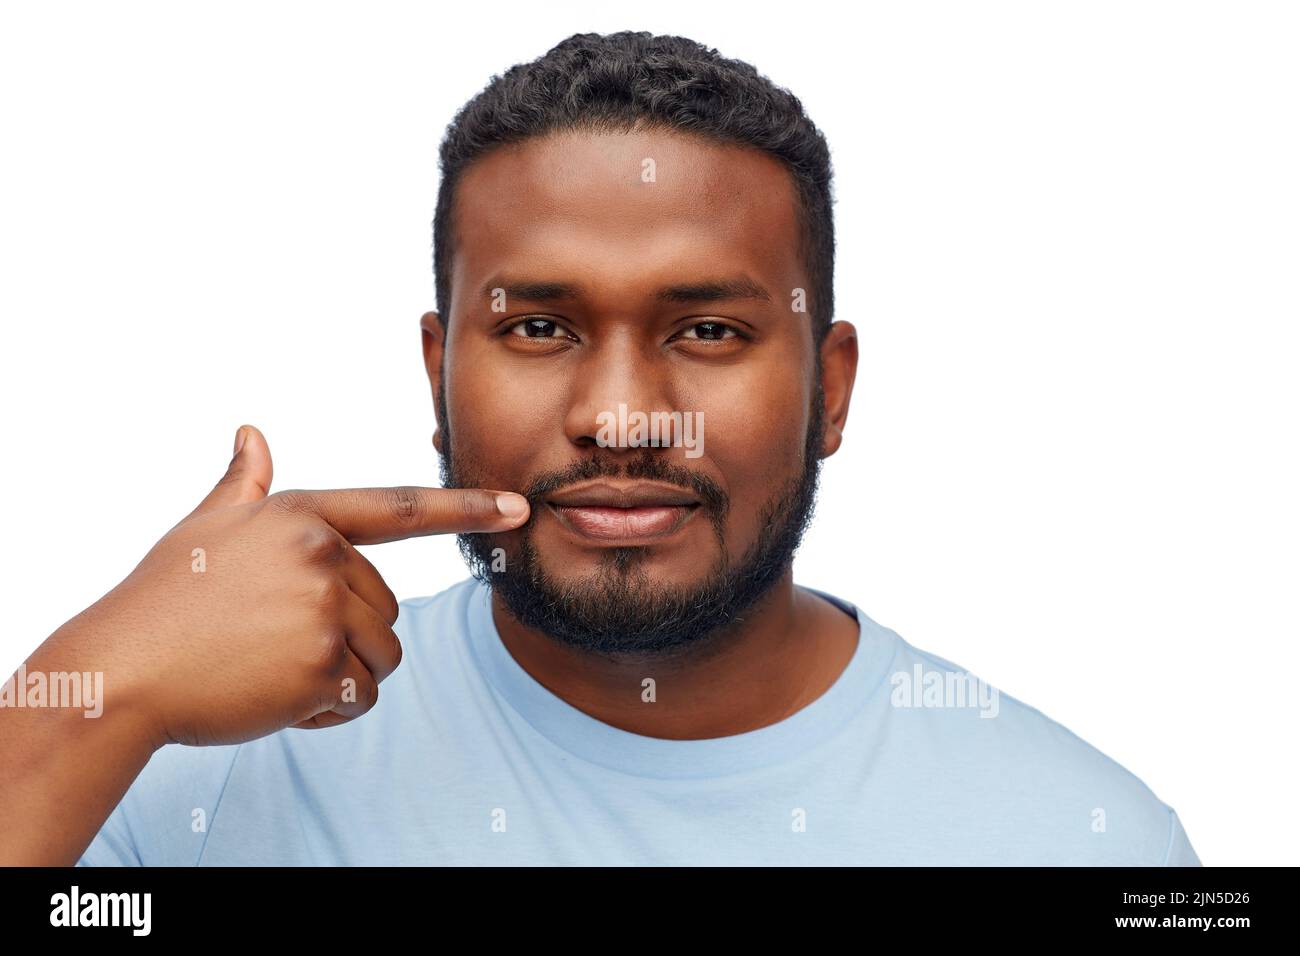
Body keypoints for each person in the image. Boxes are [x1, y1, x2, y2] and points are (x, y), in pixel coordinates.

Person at [1, 30, 1199, 866]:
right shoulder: (186, 765)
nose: (621, 414)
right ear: (437, 375)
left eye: (710, 329)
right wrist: (95, 688)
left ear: (828, 389)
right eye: (537, 327)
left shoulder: (1078, 838)